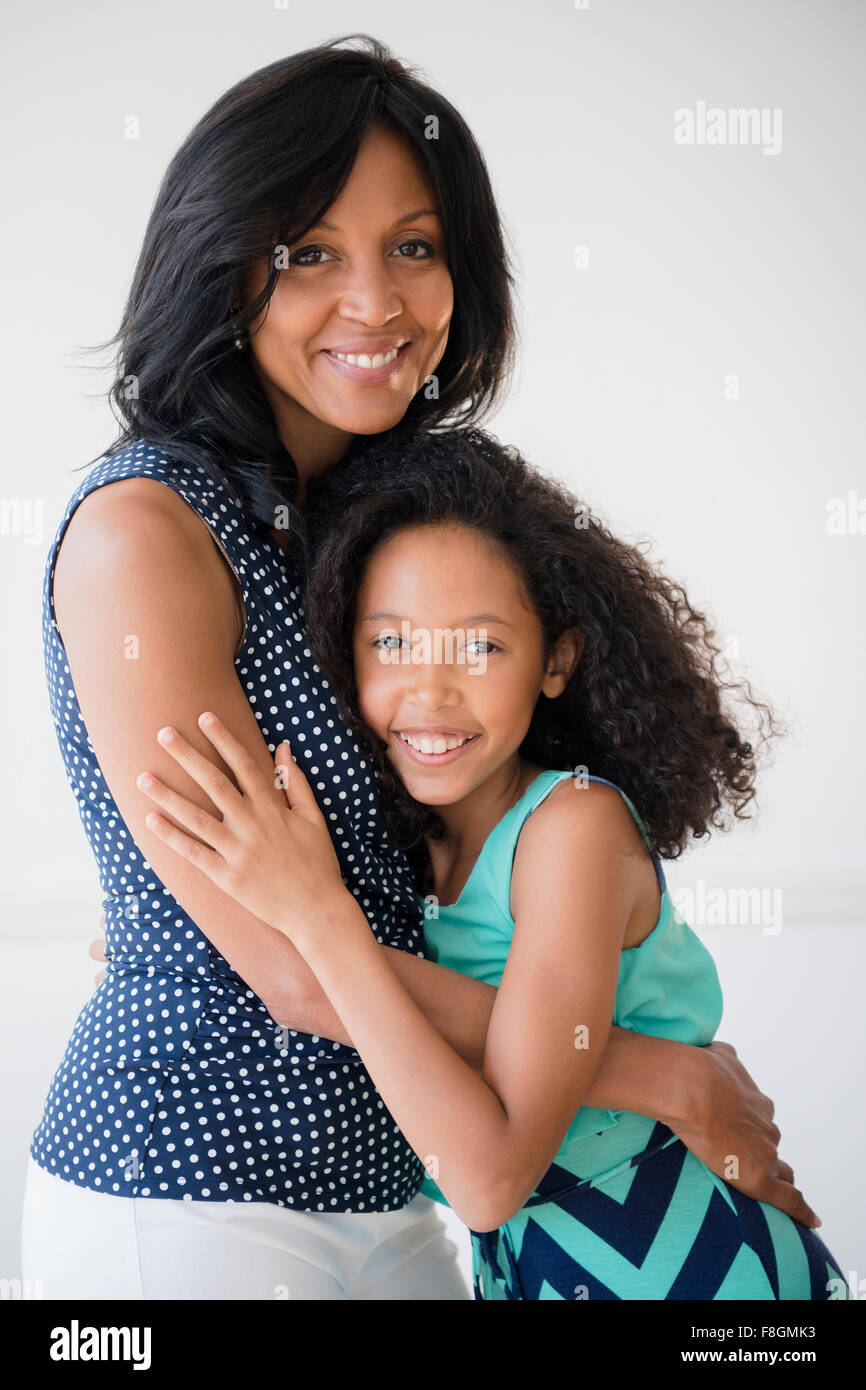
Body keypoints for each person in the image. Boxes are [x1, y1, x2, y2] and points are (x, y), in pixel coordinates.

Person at [24, 36, 817, 1301]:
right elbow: (281, 958)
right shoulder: (145, 534)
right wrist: (646, 1068)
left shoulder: (351, 519)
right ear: (223, 267)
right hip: (189, 1198)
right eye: (310, 255)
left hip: (400, 1190)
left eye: (414, 246)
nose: (377, 303)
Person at [136, 427, 849, 1300]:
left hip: (685, 1259)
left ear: (556, 660)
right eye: (389, 642)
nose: (430, 692)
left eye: (479, 647)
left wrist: (320, 916)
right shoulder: (402, 850)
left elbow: (485, 1181)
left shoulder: (571, 828)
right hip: (528, 1269)